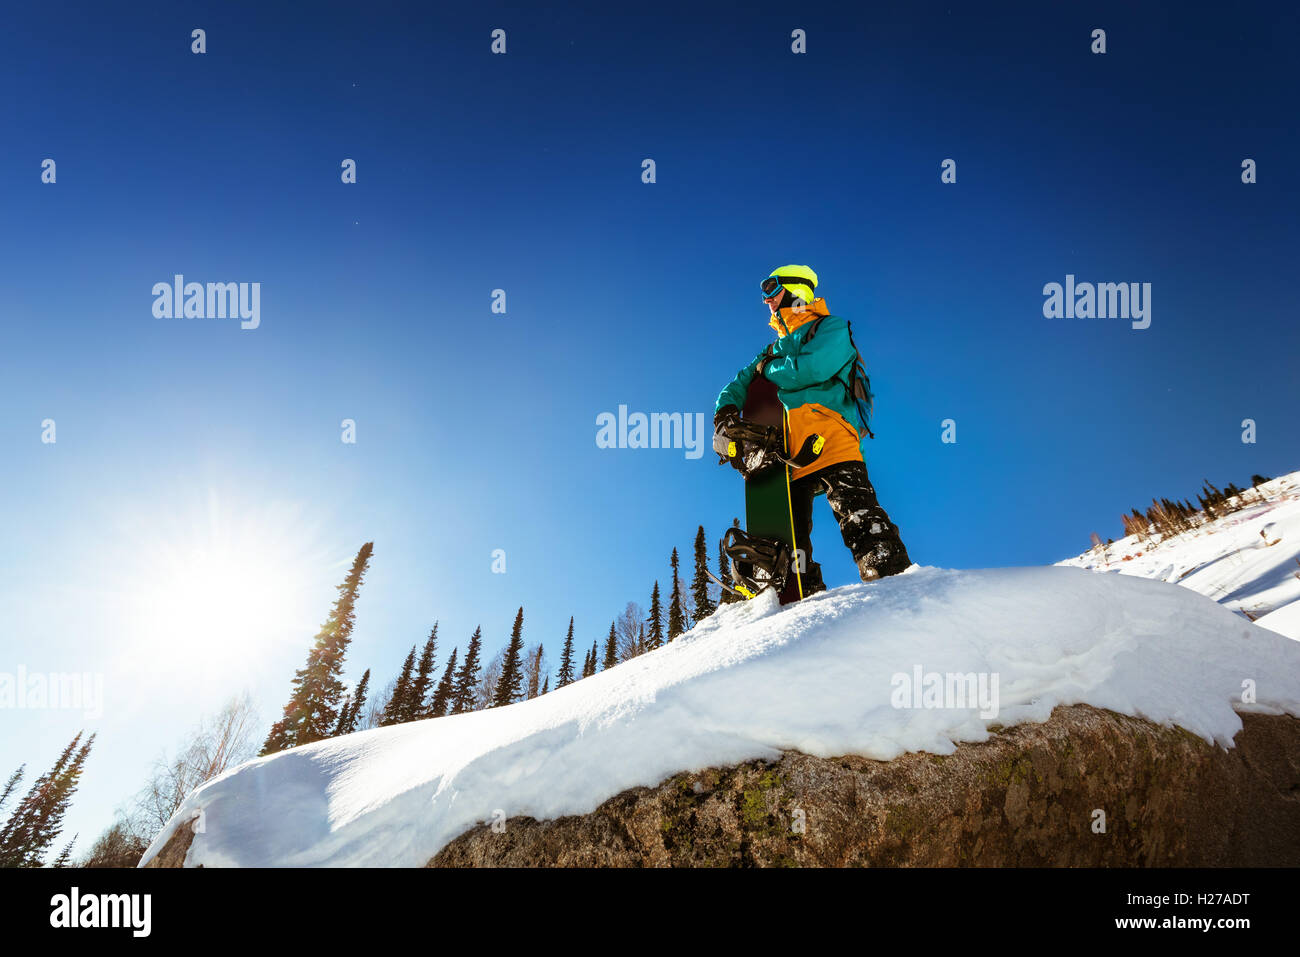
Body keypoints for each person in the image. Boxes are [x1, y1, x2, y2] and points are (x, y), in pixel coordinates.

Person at [714, 265, 911, 592]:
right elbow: (737, 384)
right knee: (791, 541)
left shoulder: (832, 329)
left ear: (795, 291)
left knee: (860, 521)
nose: (767, 302)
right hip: (786, 457)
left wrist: (770, 369)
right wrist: (725, 416)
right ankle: (800, 594)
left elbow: (811, 369)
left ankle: (893, 587)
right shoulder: (772, 349)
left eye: (772, 292)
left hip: (833, 441)